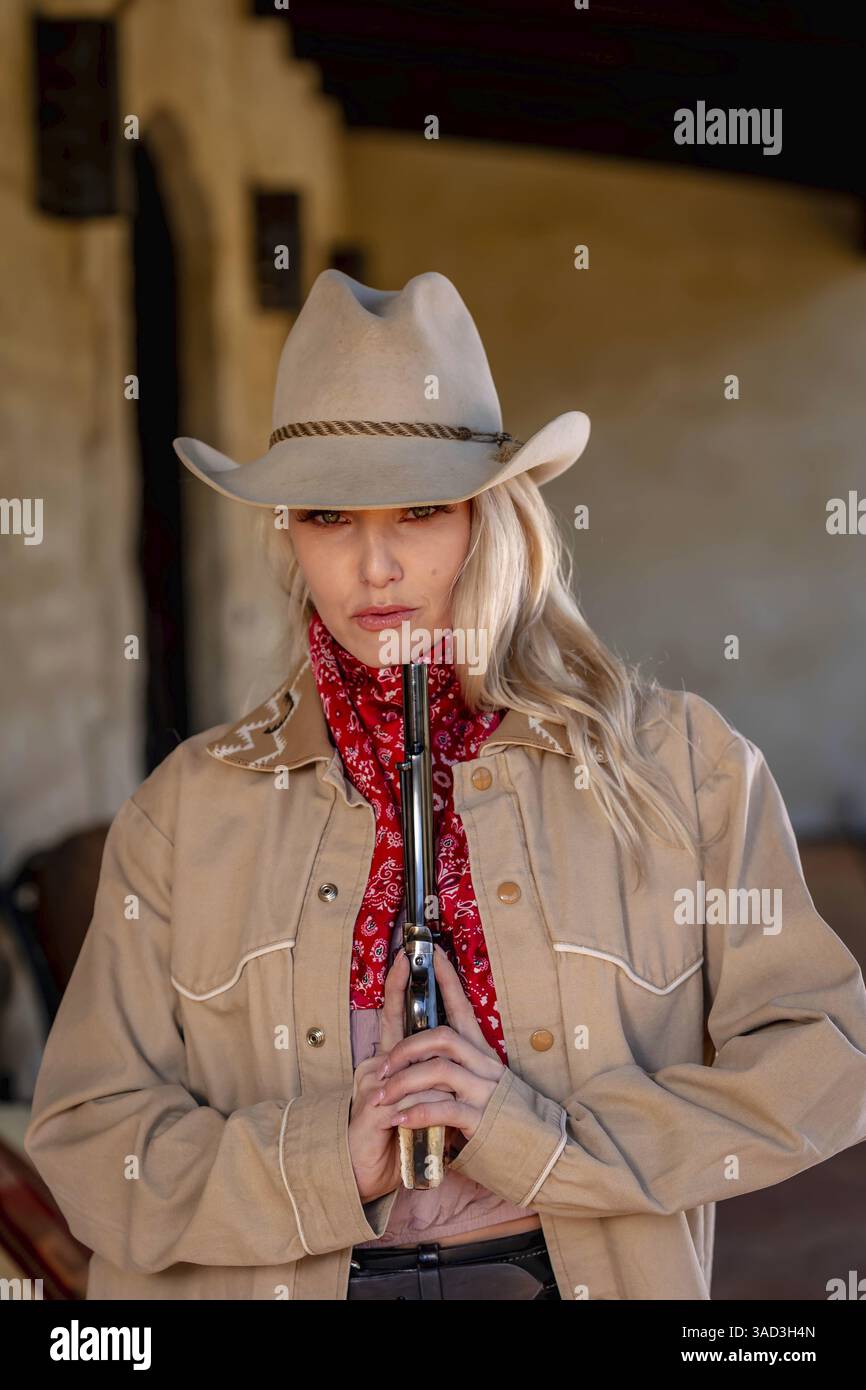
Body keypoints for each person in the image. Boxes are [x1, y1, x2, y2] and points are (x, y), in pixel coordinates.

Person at [24, 270, 866, 1301]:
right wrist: (319, 1161)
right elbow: (87, 1140)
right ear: (286, 531)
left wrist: (540, 1143)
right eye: (328, 515)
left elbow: (825, 1059)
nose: (372, 565)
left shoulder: (683, 771)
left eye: (419, 508)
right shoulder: (189, 807)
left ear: (492, 517)